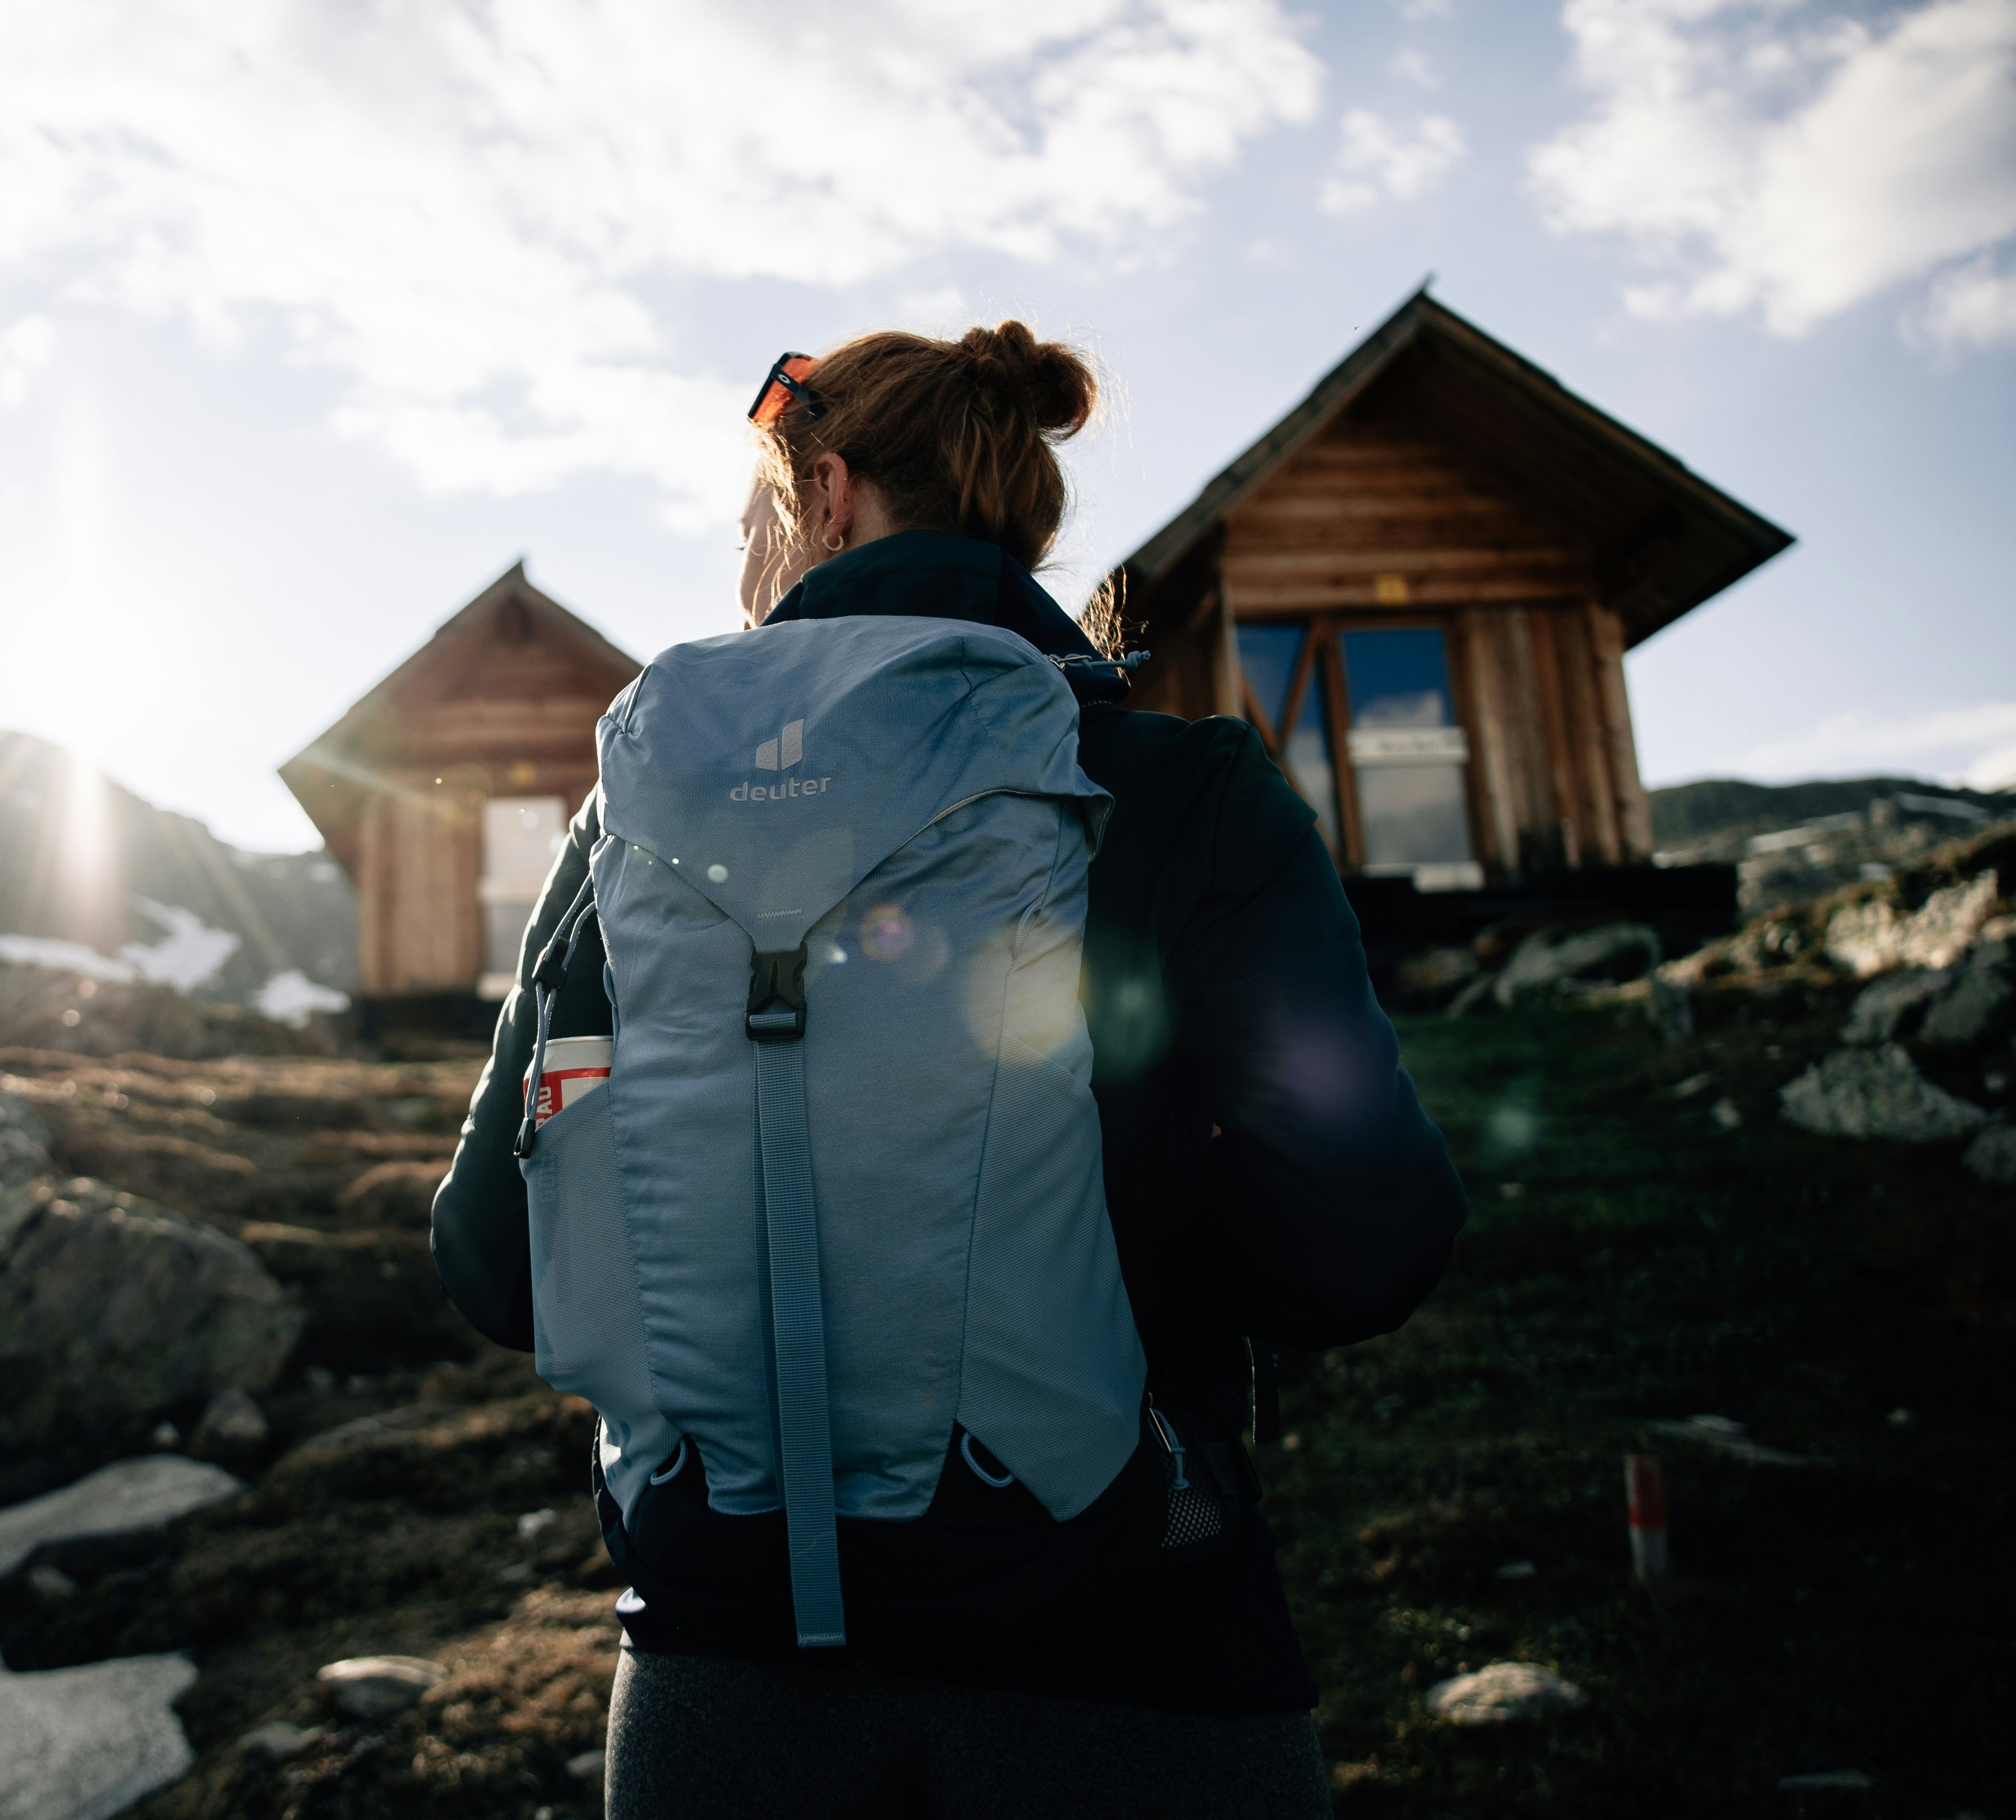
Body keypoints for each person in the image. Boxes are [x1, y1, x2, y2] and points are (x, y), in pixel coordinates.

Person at [431, 323, 1468, 1818]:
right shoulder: (1180, 792)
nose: (743, 584)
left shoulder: (631, 824)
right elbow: (1369, 1244)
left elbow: (488, 1260)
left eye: (753, 532)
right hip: (1132, 1666)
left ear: (830, 496)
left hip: (722, 1695)